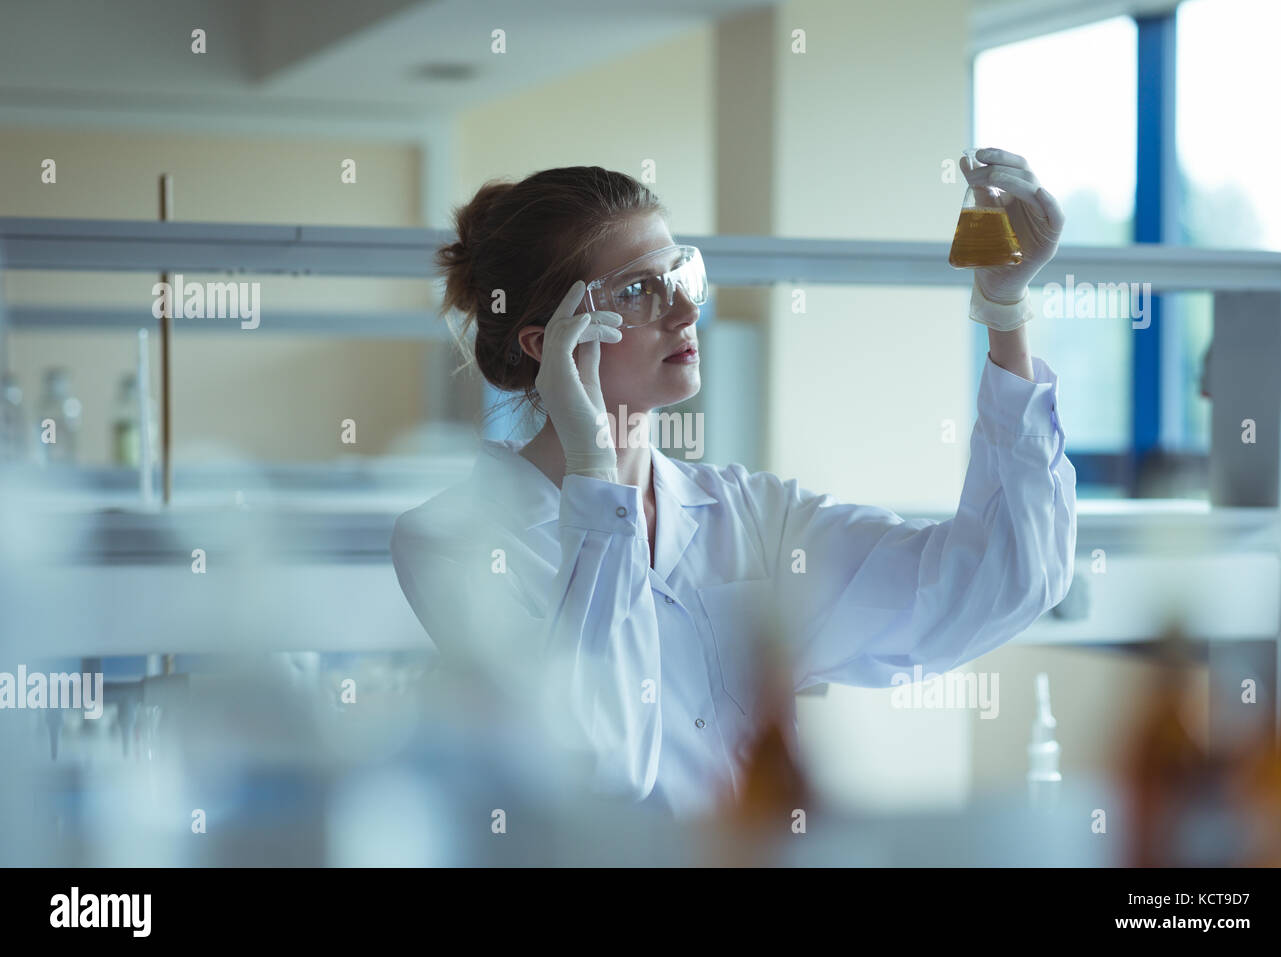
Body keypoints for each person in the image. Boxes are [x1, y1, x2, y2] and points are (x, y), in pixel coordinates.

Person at [391, 157, 1077, 820]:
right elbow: (600, 770)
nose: (686, 309)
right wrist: (594, 469)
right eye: (637, 290)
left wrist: (1005, 308)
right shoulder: (454, 541)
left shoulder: (752, 515)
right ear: (551, 343)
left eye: (679, 274)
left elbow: (998, 579)